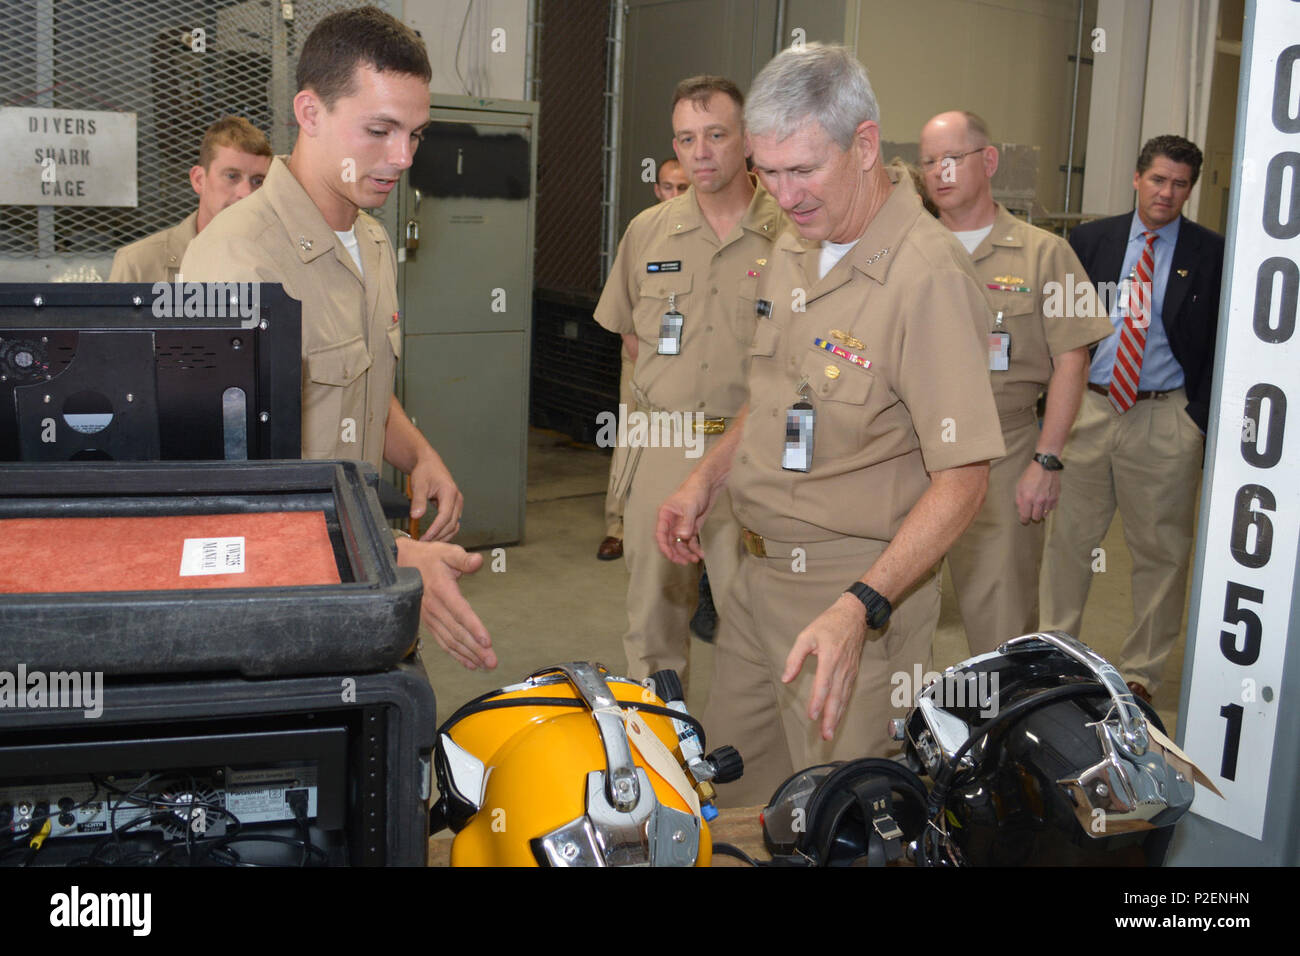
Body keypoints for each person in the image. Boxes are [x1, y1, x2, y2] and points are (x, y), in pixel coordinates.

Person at [657, 45, 1005, 806]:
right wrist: (705, 477)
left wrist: (861, 607)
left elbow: (964, 480)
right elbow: (779, 389)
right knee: (732, 799)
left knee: (839, 817)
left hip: (849, 599)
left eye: (803, 171)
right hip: (750, 583)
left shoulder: (927, 276)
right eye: (767, 172)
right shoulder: (796, 241)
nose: (783, 195)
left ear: (867, 145)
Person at [182, 6, 495, 672]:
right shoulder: (237, 262)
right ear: (310, 112)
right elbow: (223, 487)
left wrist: (418, 455)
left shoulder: (372, 241)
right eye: (379, 130)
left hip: (360, 579)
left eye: (415, 133)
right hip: (276, 604)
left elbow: (355, 386)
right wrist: (394, 551)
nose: (403, 158)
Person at [595, 75, 783, 688]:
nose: (699, 152)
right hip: (665, 445)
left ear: (748, 141)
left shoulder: (792, 236)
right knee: (651, 624)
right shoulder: (648, 232)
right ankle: (660, 752)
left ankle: (757, 770)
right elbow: (631, 335)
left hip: (752, 450)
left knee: (754, 621)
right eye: (685, 139)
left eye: (715, 135)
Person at [918, 110, 1112, 656]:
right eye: (929, 162)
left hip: (1004, 453)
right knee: (898, 612)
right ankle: (904, 735)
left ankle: (999, 734)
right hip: (909, 449)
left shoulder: (1045, 253)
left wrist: (1047, 461)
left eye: (952, 158)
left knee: (1000, 615)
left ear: (990, 161)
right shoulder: (905, 249)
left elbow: (1073, 361)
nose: (940, 172)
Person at [1040, 134, 1224, 703]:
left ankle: (1142, 674)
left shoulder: (1210, 253)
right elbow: (1061, 329)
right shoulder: (1091, 241)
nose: (1167, 193)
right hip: (1090, 409)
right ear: (1137, 179)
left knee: (1161, 554)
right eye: (1158, 180)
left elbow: (1220, 343)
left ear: (1190, 189)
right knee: (1068, 544)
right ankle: (1056, 660)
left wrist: (1196, 418)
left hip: (1163, 417)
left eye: (1180, 184)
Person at [597, 158, 690, 562]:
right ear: (656, 188)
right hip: (643, 355)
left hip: (693, 360)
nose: (673, 195)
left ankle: (681, 524)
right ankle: (618, 526)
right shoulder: (644, 230)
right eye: (667, 187)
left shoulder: (710, 236)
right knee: (635, 436)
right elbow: (621, 303)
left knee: (689, 439)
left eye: (682, 188)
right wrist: (641, 356)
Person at [109, 117, 272, 282]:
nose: (246, 193)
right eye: (232, 176)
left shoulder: (276, 259)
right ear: (199, 180)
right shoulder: (139, 265)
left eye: (258, 181)